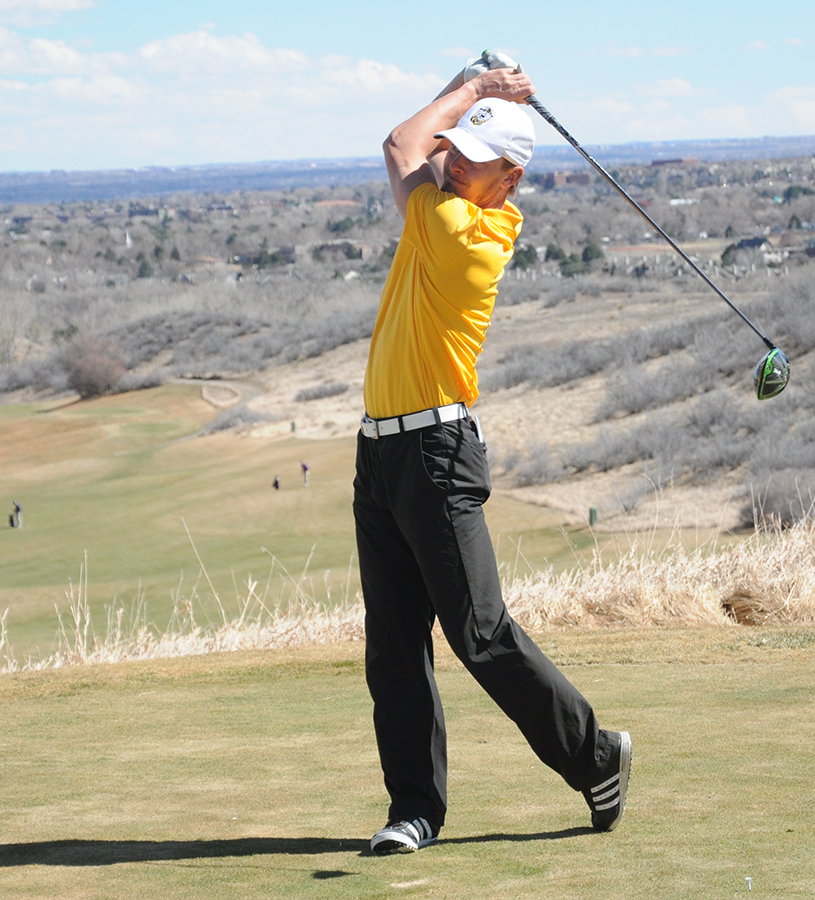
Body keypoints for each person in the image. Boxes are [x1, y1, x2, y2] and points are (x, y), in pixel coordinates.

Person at [354, 63, 629, 856]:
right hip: (380, 456)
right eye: (459, 155)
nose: (456, 163)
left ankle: (594, 753)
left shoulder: (464, 235)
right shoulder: (445, 207)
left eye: (475, 161)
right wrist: (467, 92)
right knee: (393, 645)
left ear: (508, 180)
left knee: (478, 632)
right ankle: (414, 810)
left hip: (436, 454)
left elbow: (402, 142)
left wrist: (473, 87)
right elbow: (423, 147)